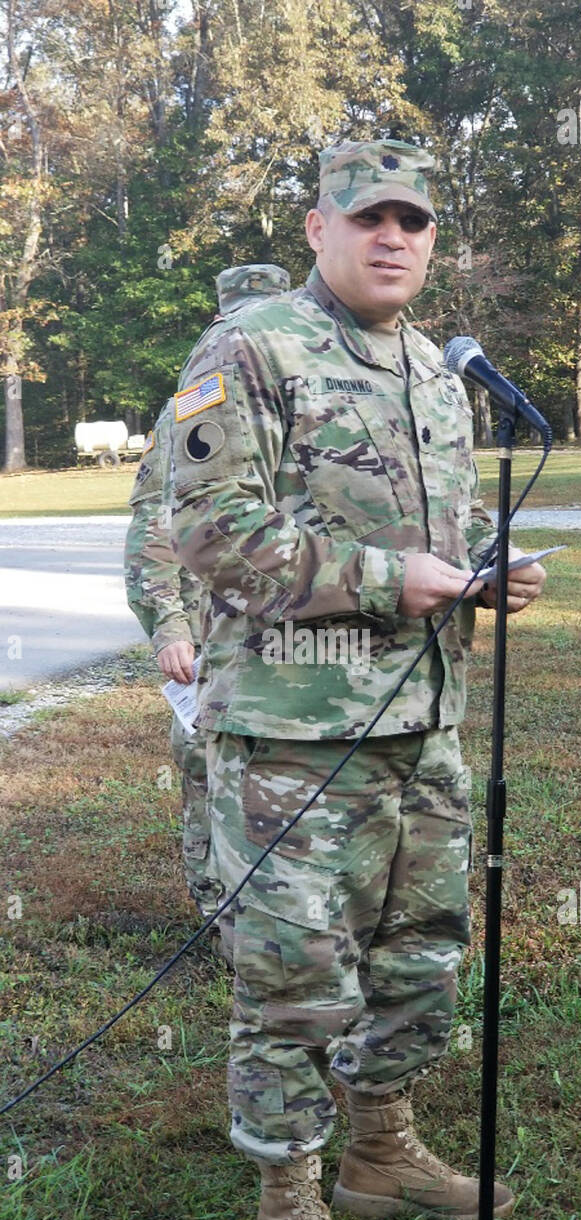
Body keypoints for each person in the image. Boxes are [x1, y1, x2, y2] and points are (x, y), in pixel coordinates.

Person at [169, 139, 546, 1220]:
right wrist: (393, 581)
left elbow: (432, 530)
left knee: (420, 955)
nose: (393, 237)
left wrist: (489, 571)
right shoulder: (250, 348)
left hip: (421, 723)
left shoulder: (436, 368)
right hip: (292, 735)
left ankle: (380, 1151)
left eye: (414, 221)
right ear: (319, 229)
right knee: (296, 977)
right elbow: (215, 538)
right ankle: (289, 1208)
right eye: (368, 216)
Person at [124, 265, 291, 958]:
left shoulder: (305, 394)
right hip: (211, 629)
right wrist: (168, 625)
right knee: (207, 768)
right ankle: (222, 923)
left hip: (291, 628)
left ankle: (285, 918)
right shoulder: (196, 403)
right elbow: (151, 526)